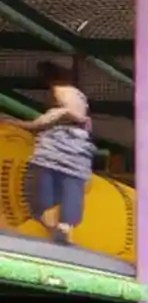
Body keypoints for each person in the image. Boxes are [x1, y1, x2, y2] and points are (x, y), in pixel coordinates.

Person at [3, 62, 95, 245]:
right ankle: (62, 228)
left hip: (55, 151)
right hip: (74, 154)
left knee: (44, 194)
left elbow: (53, 119)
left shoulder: (62, 91)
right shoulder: (77, 95)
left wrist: (13, 122)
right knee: (69, 192)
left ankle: (57, 227)